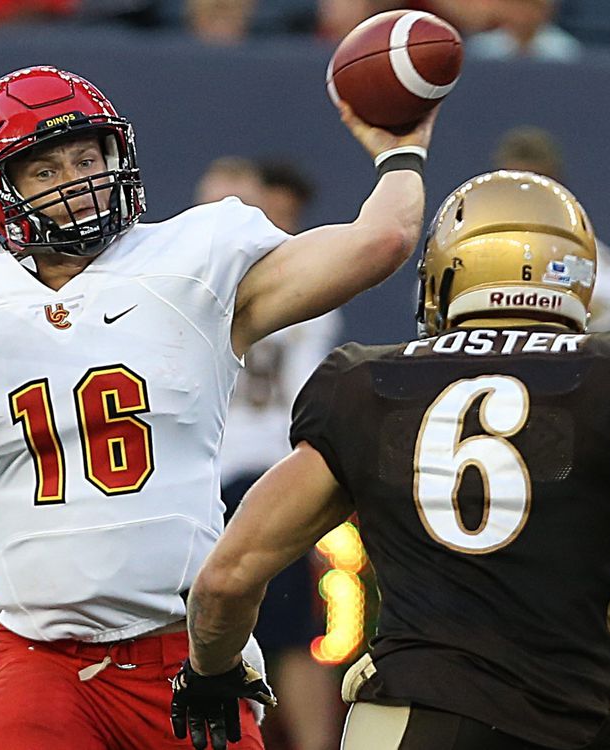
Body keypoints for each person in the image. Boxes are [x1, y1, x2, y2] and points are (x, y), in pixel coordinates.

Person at [0, 64, 439, 749]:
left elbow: (382, 241)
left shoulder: (194, 258)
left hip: (185, 658)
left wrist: (400, 145)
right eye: (46, 169)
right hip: (37, 658)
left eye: (87, 155)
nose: (77, 178)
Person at [171, 171, 610, 750]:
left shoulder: (366, 383)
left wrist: (209, 671)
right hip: (572, 719)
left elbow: (228, 575)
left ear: (448, 271)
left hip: (409, 718)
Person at [209, 159, 344, 750]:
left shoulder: (206, 279)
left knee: (280, 633)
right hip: (254, 469)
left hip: (250, 468)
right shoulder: (310, 282)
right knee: (280, 633)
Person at [492, 126, 610, 331]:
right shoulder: (468, 248)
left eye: (537, 182)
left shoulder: (580, 253)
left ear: (557, 185)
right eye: (513, 184)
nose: (526, 193)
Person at [465, 0, 582, 62]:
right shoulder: (483, 46)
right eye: (519, 8)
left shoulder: (564, 49)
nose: (525, 15)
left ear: (546, 12)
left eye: (533, 8)